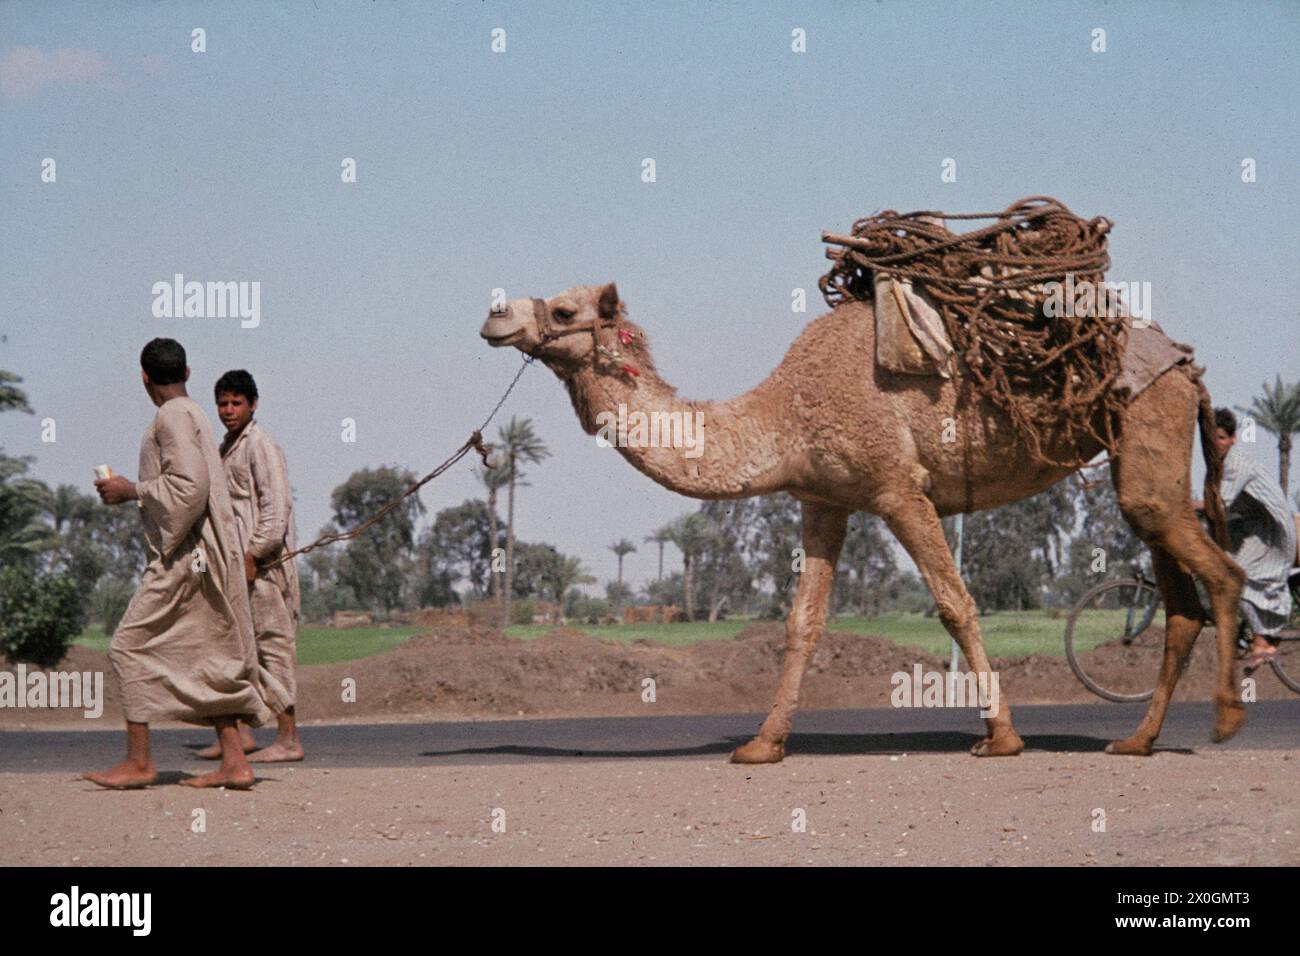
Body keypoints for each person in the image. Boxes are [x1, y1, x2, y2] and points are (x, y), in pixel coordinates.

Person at [87, 338, 271, 789]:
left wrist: (132, 491)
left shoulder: (169, 416)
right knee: (210, 652)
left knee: (127, 647)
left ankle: (139, 762)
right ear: (187, 373)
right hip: (207, 555)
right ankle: (235, 763)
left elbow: (189, 488)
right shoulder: (192, 414)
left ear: (144, 377)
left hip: (186, 557)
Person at [196, 369, 304, 762]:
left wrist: (254, 555)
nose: (228, 410)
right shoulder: (228, 447)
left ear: (253, 404)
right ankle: (239, 734)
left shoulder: (260, 445)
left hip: (263, 567)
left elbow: (276, 509)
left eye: (235, 403)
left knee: (271, 647)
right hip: (235, 567)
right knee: (235, 650)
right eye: (222, 403)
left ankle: (289, 738)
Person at [1195, 408, 1296, 673]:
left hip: (1271, 532)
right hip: (1250, 526)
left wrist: (1182, 506)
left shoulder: (1235, 465)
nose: (1214, 444)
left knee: (1233, 574)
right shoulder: (1219, 465)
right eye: (1209, 438)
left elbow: (1217, 506)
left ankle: (1262, 641)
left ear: (1232, 439)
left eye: (1219, 437)